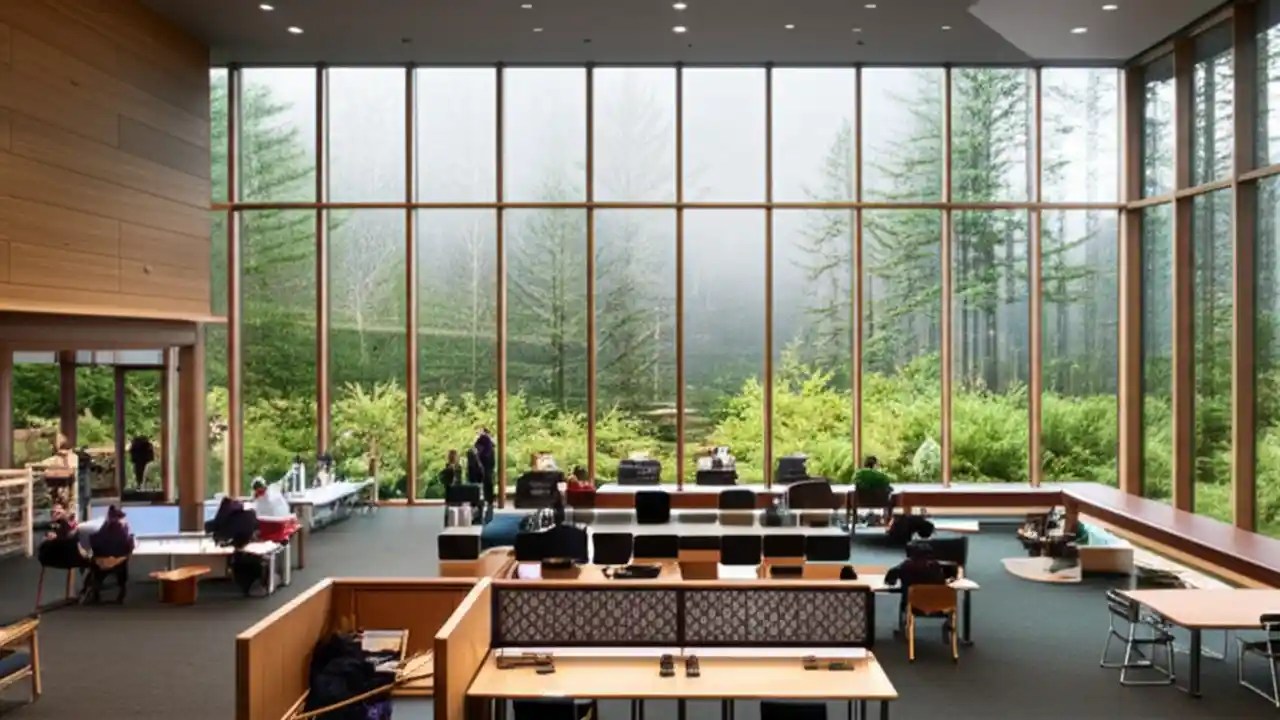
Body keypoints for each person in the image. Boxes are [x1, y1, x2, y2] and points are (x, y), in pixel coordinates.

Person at [885, 541, 949, 634]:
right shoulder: (937, 567)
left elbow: (889, 580)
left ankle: (903, 626)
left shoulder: (905, 566)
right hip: (939, 605)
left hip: (914, 605)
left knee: (906, 598)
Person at [86, 505, 135, 604]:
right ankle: (121, 593)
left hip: (100, 560)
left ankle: (95, 593)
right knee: (122, 569)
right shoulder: (122, 528)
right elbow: (128, 545)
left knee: (96, 573)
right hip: (118, 560)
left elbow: (93, 542)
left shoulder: (102, 527)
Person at [474, 428, 496, 509]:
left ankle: (488, 500)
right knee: (488, 482)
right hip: (488, 463)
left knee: (487, 482)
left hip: (486, 463)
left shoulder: (485, 440)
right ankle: (489, 500)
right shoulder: (488, 441)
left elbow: (477, 448)